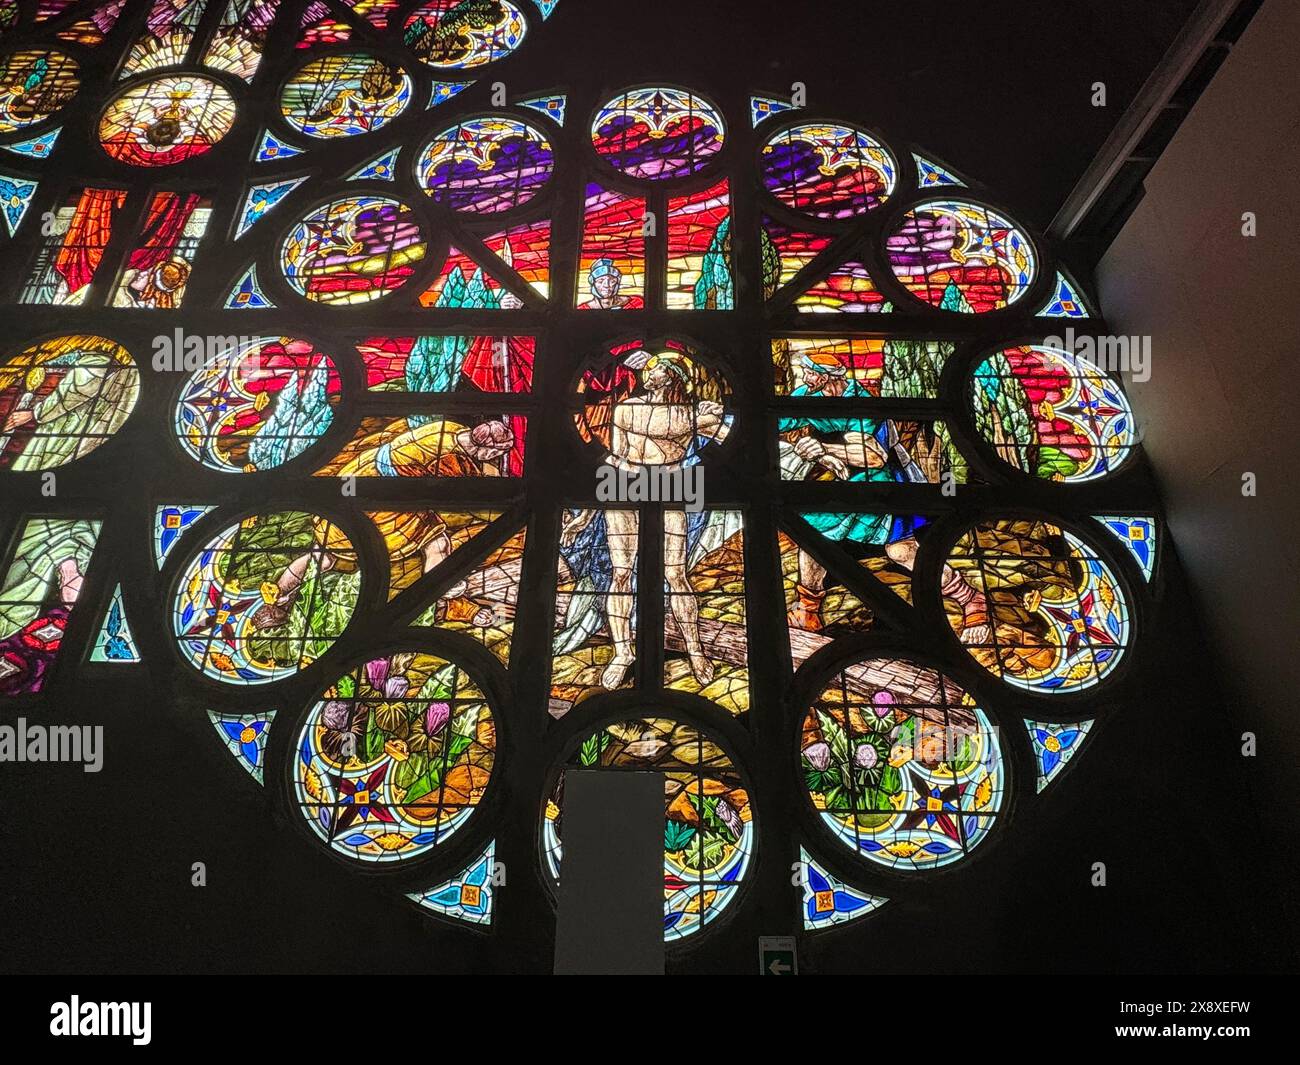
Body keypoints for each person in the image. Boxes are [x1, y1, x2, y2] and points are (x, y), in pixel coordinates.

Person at [579, 258, 643, 310]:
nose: (606, 285)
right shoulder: (583, 308)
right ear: (593, 283)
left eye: (612, 281)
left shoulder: (636, 302)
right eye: (600, 281)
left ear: (617, 283)